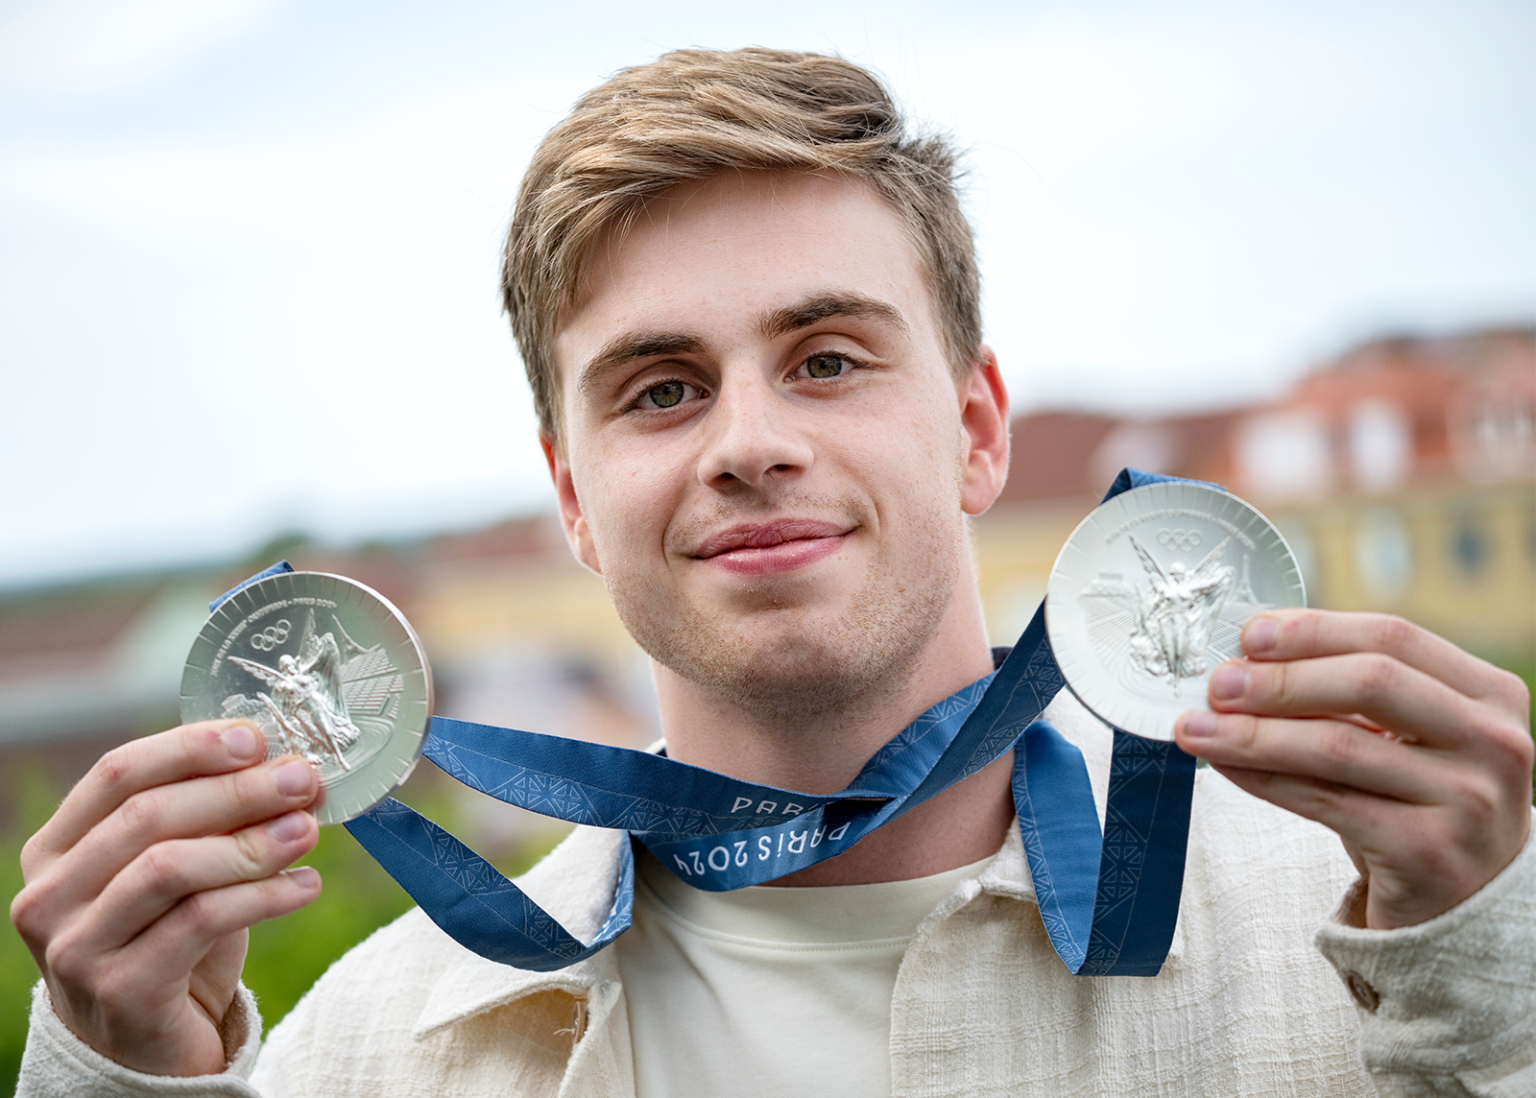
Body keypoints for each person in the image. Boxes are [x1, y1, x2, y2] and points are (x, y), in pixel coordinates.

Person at [11, 48, 1534, 1097]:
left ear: (978, 429)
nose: (749, 441)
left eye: (826, 357)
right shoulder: (363, 1052)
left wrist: (1500, 979)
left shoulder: (1383, 935)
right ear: (574, 499)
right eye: (661, 387)